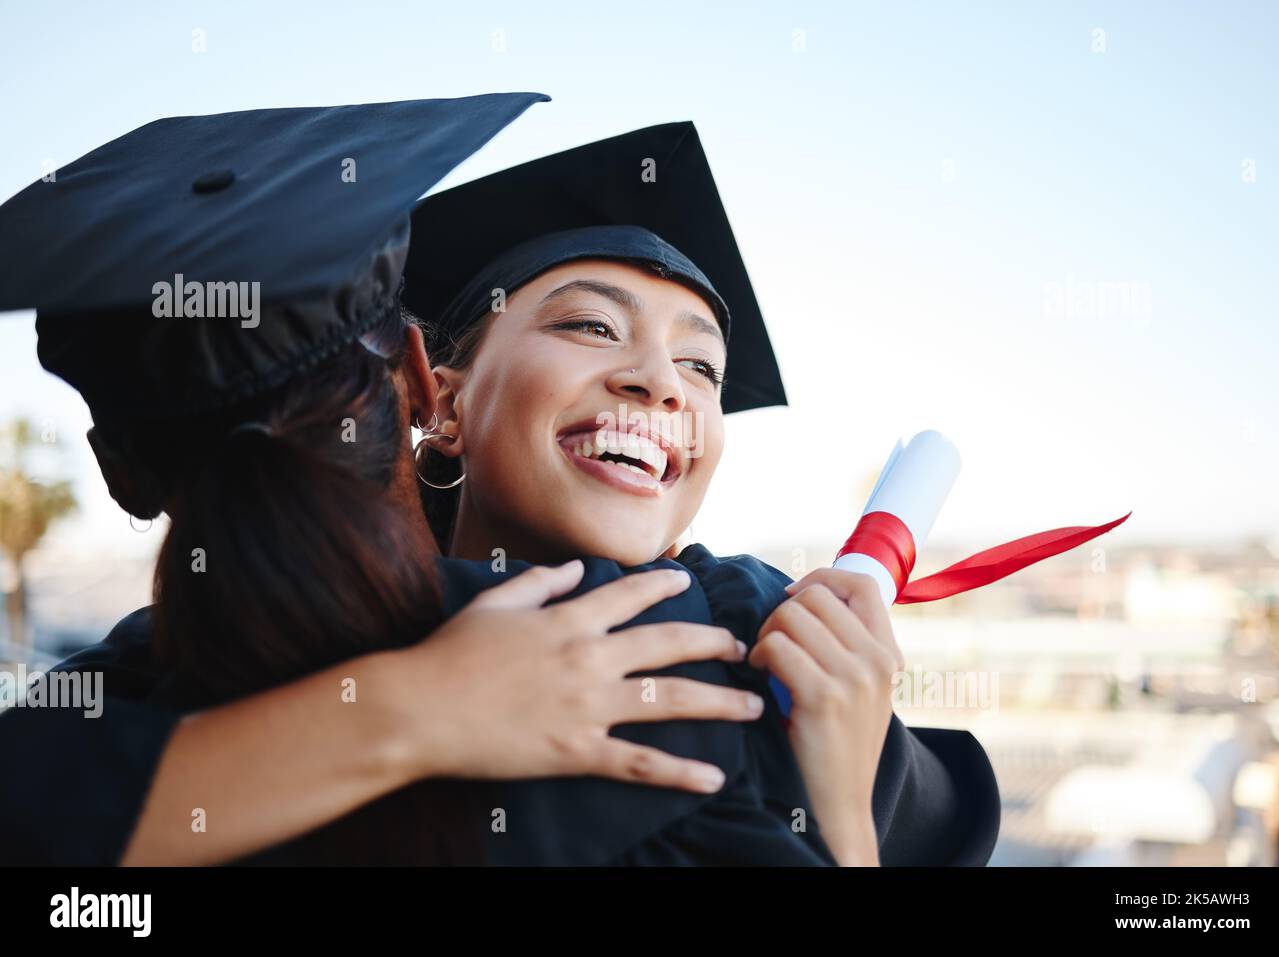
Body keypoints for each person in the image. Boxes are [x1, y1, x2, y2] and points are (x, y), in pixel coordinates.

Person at [0, 95, 772, 865]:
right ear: (427, 385)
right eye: (591, 325)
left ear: (120, 472)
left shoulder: (109, 706)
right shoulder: (697, 648)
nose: (662, 384)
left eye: (702, 366)